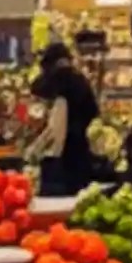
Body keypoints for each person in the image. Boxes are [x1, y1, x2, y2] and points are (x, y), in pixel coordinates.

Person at [26, 43, 99, 196]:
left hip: (48, 158)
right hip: (77, 154)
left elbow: (32, 119)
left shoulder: (41, 84)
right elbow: (93, 113)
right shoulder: (81, 82)